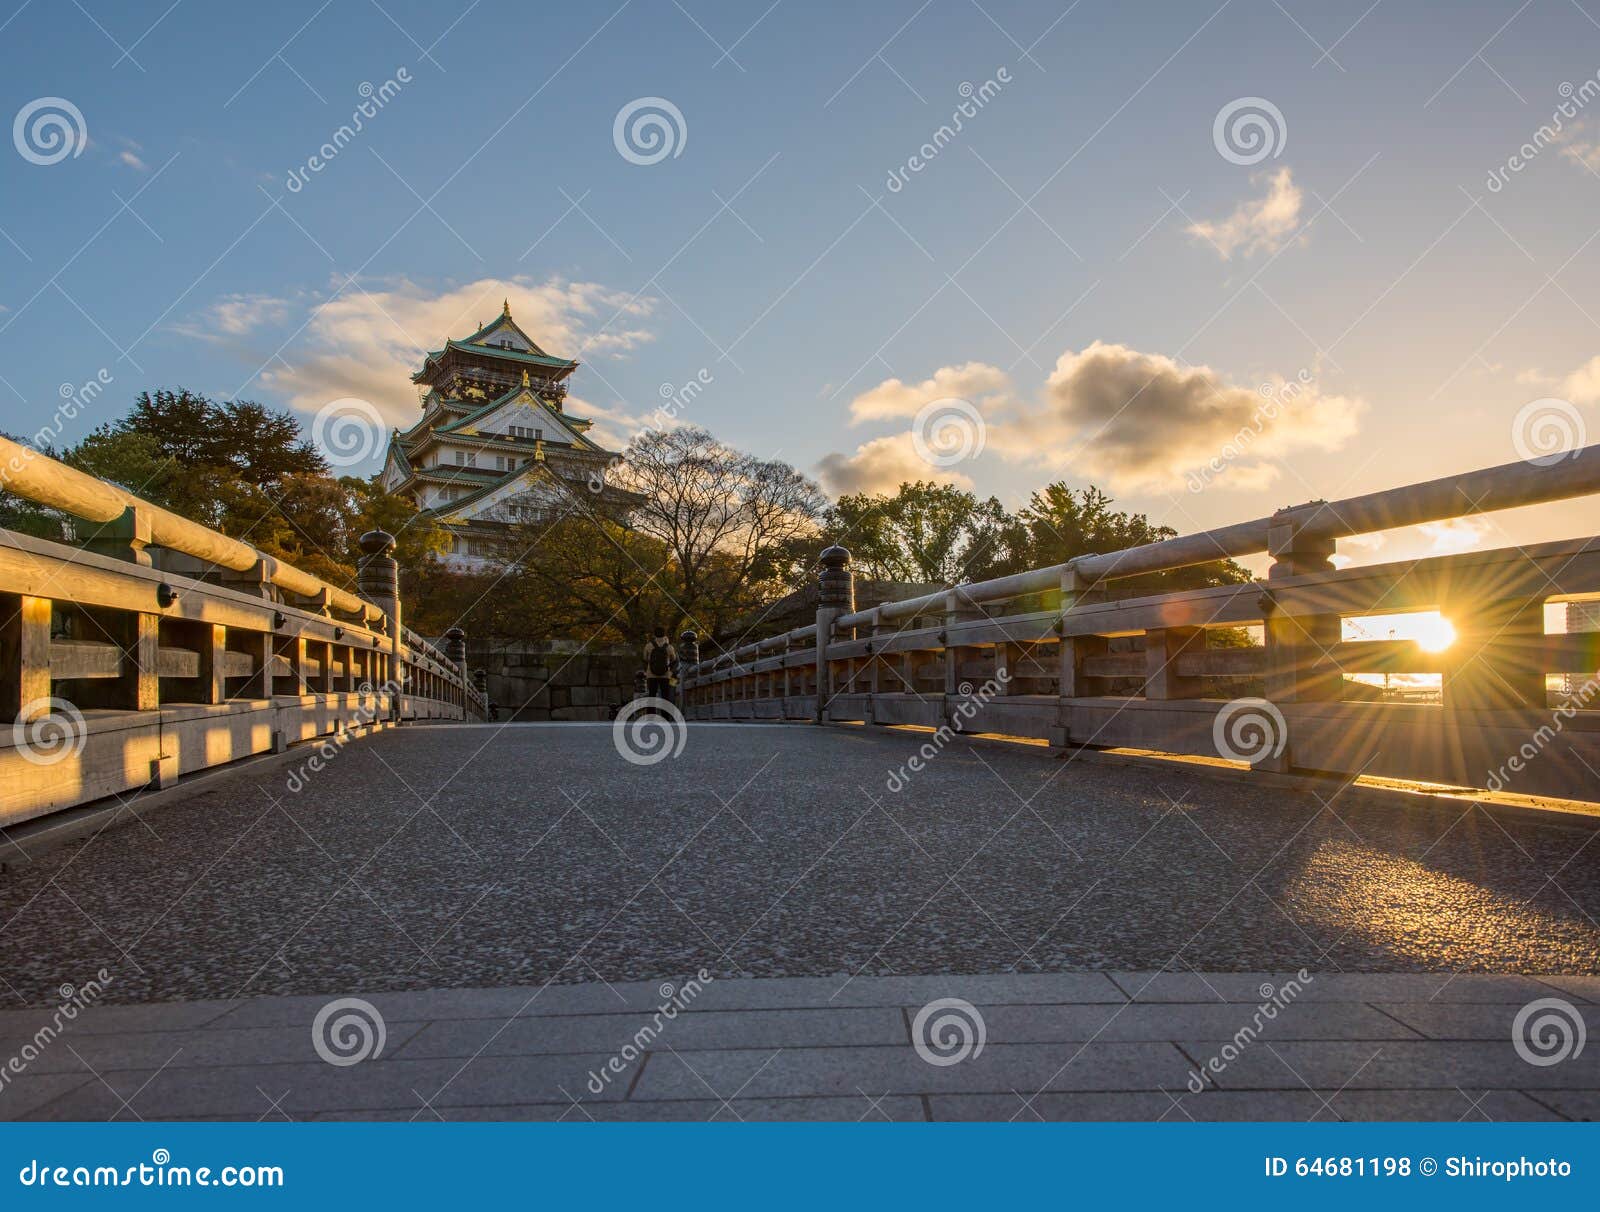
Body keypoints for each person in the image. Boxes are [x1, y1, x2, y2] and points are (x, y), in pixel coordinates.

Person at [643, 625, 678, 704]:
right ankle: (665, 715)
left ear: (654, 635)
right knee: (665, 696)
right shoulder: (669, 647)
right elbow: (674, 659)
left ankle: (651, 715)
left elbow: (645, 658)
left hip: (651, 674)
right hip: (665, 674)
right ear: (664, 635)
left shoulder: (648, 646)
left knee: (651, 696)